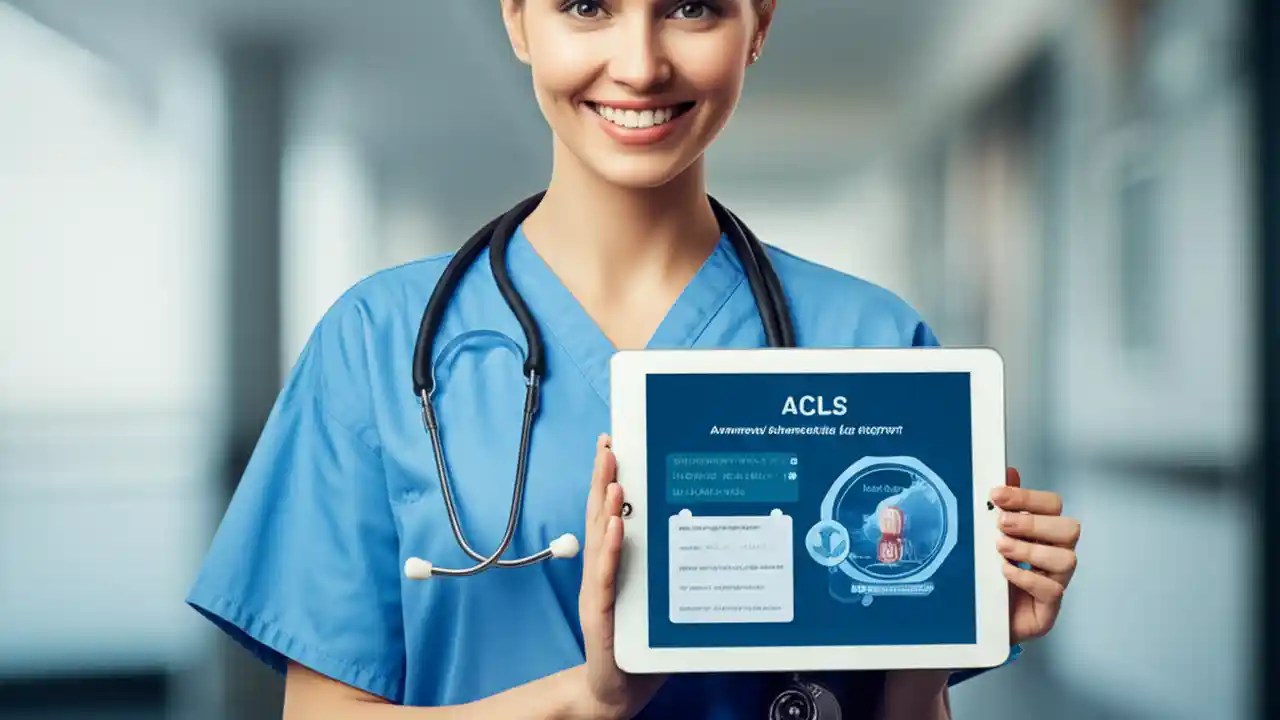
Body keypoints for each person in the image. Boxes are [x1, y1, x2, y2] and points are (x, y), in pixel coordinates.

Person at [185, 1, 1082, 718]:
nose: (641, 64)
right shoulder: (379, 339)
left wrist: (942, 632)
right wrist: (587, 699)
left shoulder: (873, 341)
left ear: (759, 22)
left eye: (692, 8)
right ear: (517, 19)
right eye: (587, 6)